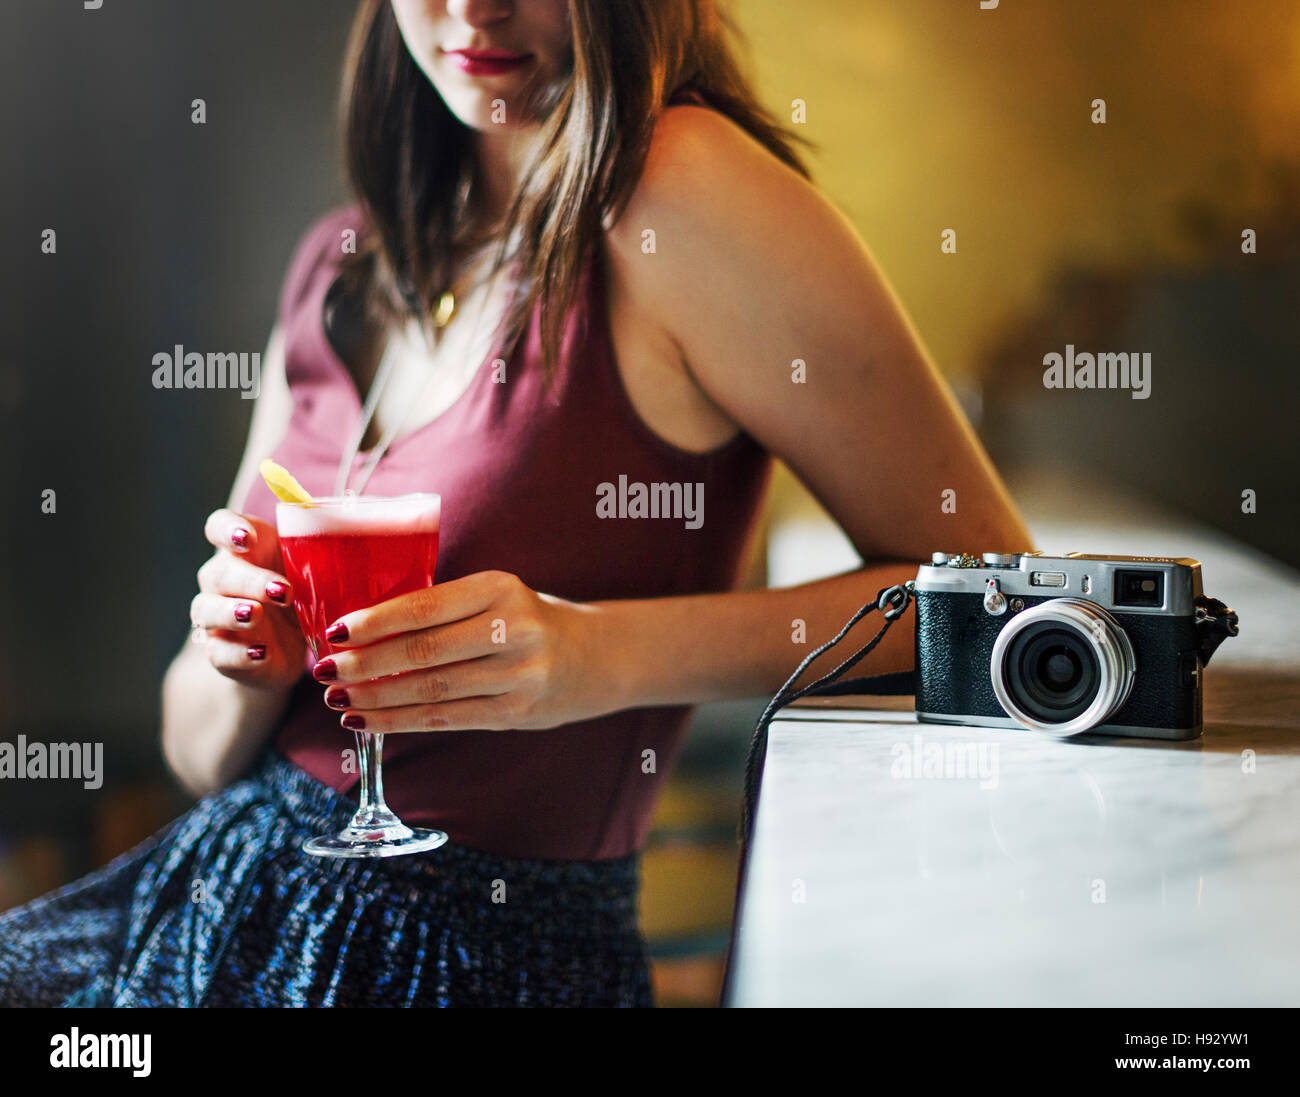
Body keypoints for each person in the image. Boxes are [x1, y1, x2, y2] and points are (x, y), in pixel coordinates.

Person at [0, 0, 1030, 1007]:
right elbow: (195, 748)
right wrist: (246, 658)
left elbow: (997, 594)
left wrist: (595, 654)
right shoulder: (342, 262)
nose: (474, 9)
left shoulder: (676, 190)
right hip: (222, 905)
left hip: (483, 959)